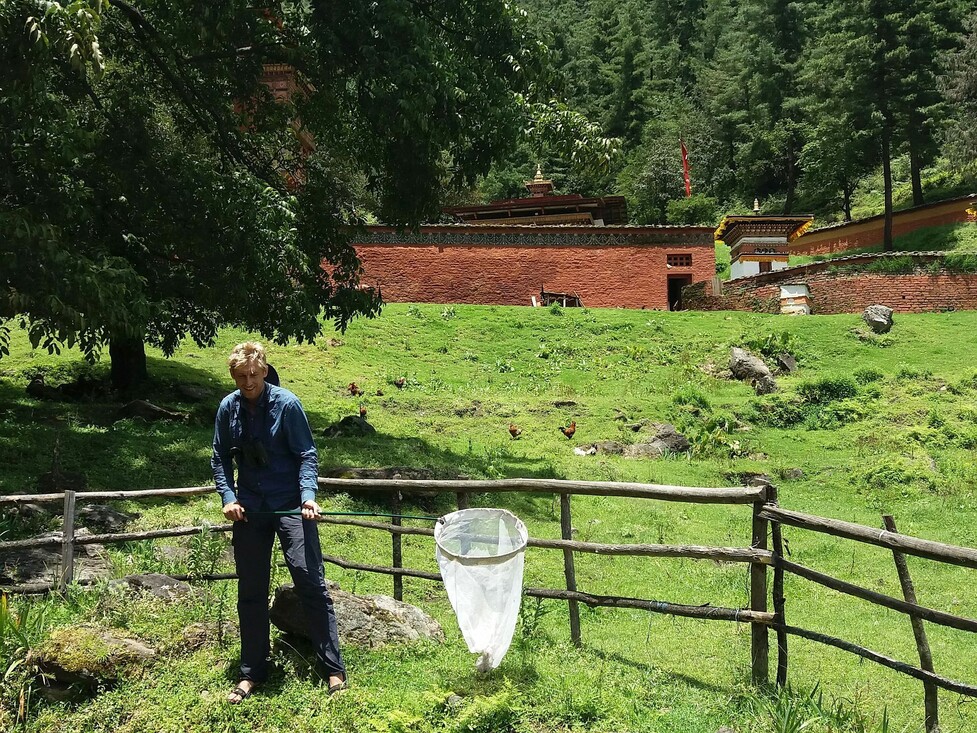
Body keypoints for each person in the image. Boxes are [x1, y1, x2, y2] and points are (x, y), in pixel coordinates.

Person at [211, 341, 346, 703]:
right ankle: (252, 672)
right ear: (233, 376)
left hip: (290, 505)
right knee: (251, 591)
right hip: (250, 509)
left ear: (265, 371)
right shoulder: (228, 408)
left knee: (309, 580)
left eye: (254, 375)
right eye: (241, 377)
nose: (248, 382)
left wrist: (308, 496)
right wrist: (229, 498)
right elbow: (220, 459)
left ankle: (332, 669)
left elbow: (307, 454)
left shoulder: (287, 405)